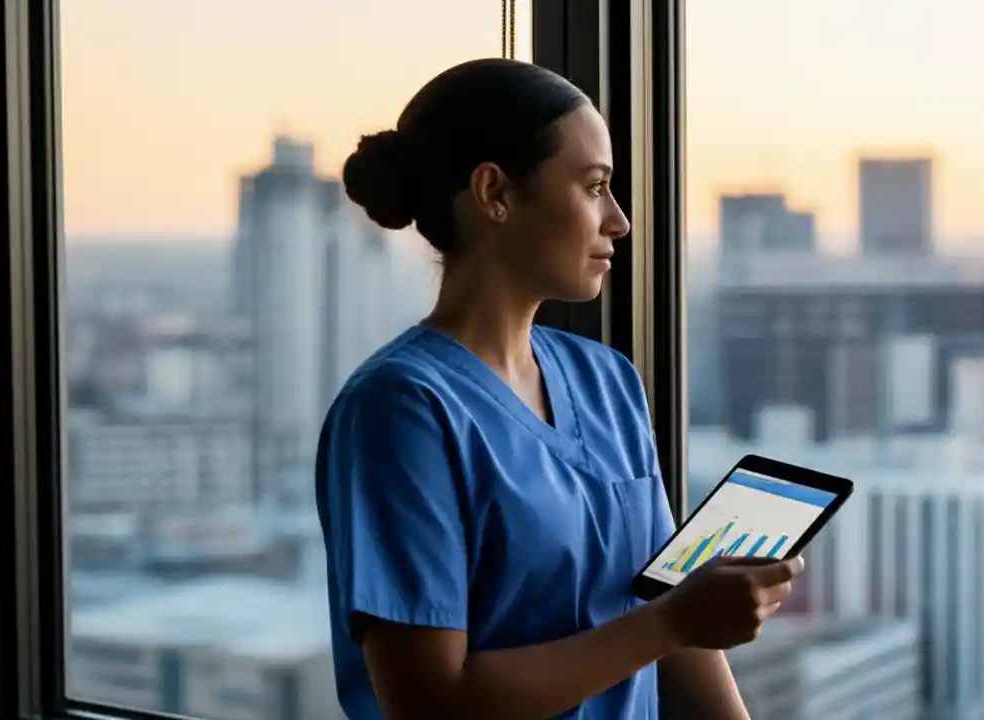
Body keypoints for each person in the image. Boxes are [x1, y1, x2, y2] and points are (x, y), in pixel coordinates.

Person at [315, 58, 804, 720]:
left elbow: (669, 615)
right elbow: (433, 705)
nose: (620, 222)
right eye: (594, 186)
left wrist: (686, 618)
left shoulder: (607, 382)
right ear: (496, 193)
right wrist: (674, 623)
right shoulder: (402, 412)